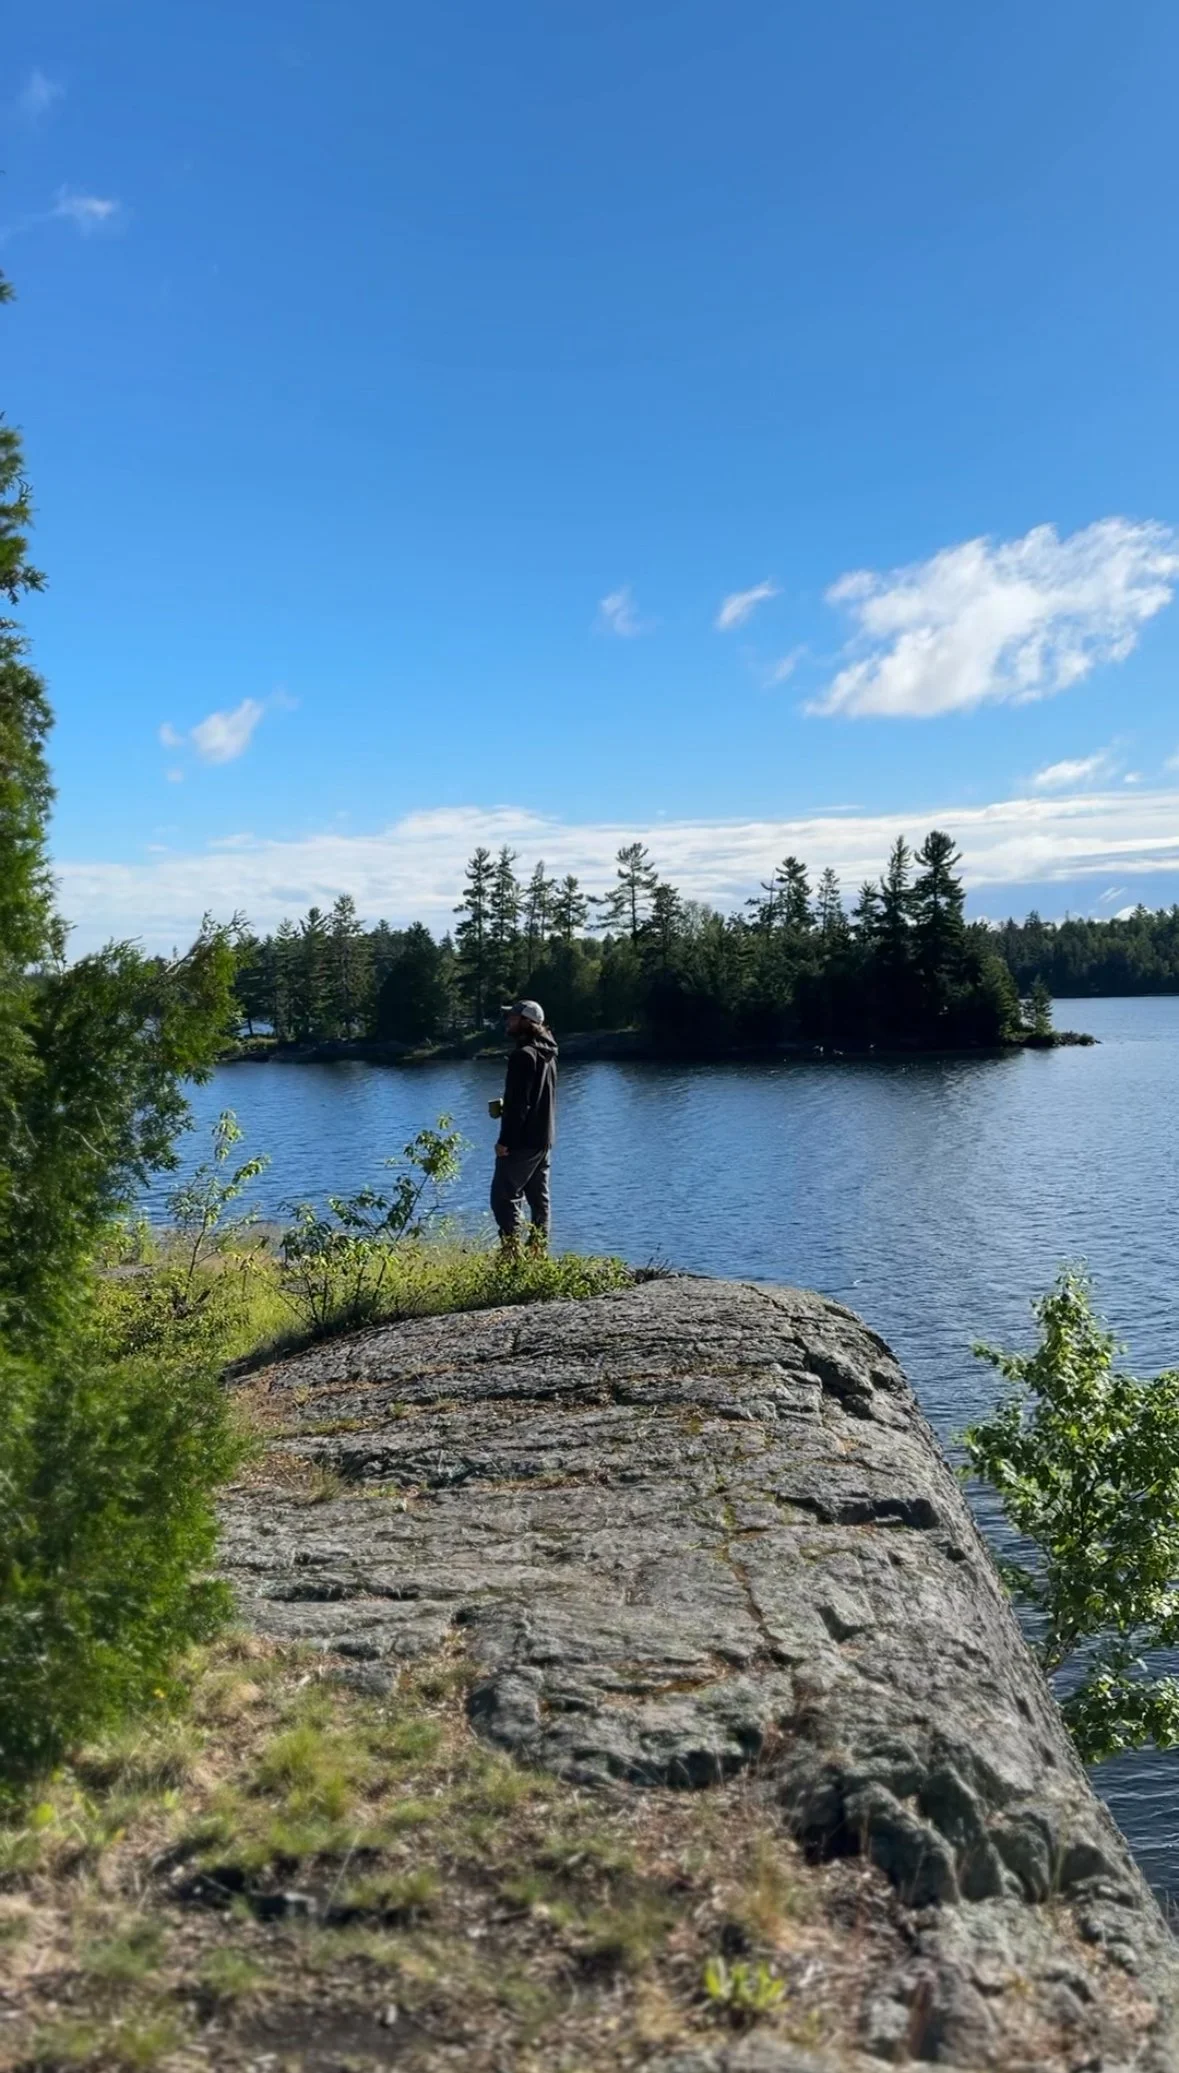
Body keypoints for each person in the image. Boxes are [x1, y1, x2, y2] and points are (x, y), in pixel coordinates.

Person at [489, 999, 557, 1253]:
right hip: (543, 1138)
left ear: (528, 1022)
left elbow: (520, 1105)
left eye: (513, 1018)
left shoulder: (523, 1056)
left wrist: (505, 1141)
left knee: (504, 1197)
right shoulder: (548, 1053)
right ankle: (538, 1253)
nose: (508, 1022)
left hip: (522, 1142)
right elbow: (535, 1098)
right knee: (539, 1199)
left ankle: (512, 1254)